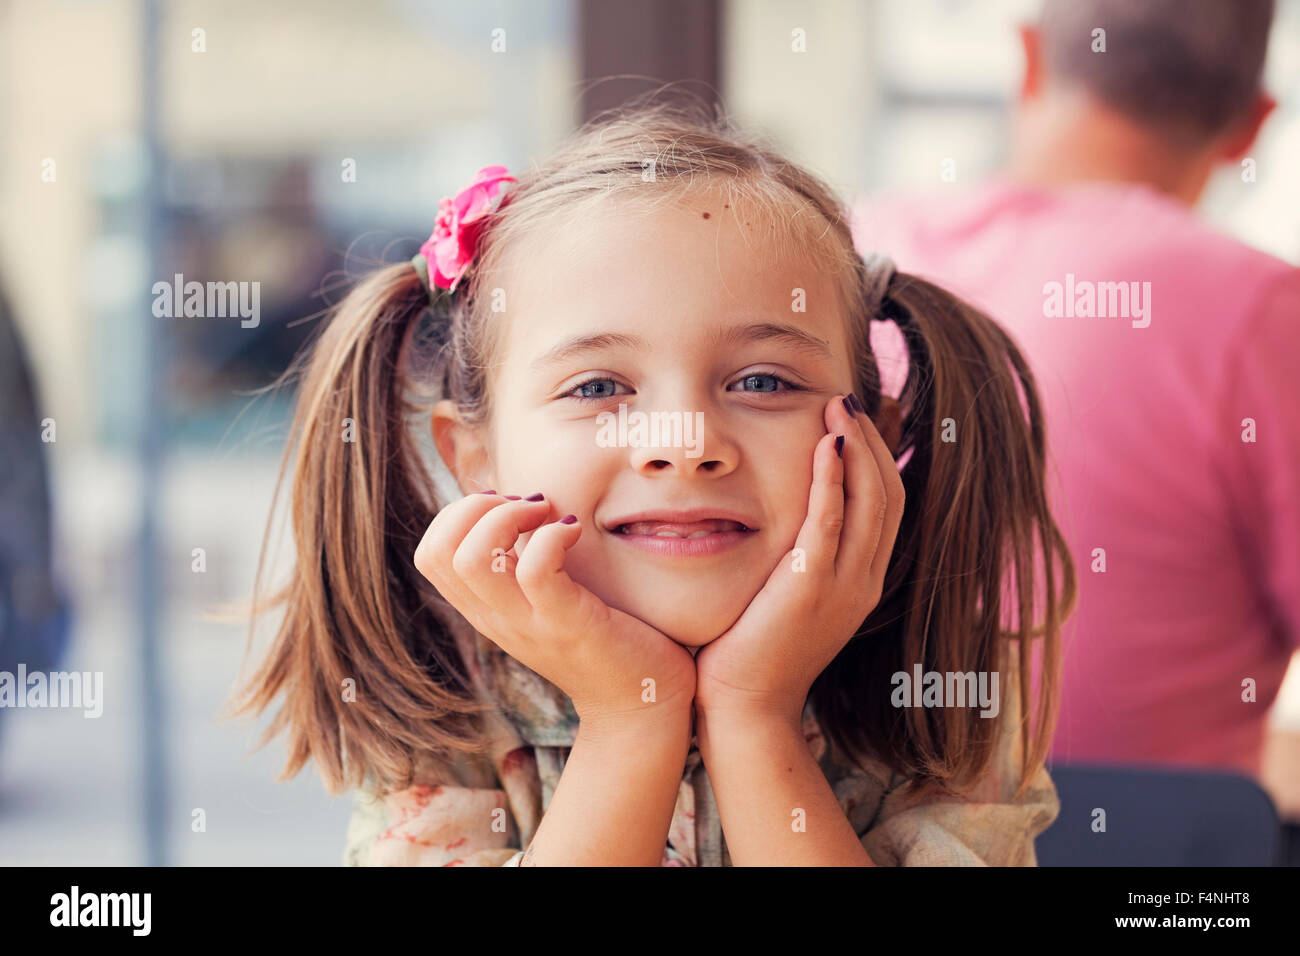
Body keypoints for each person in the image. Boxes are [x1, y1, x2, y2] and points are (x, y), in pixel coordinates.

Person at [229, 100, 1075, 866]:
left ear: (874, 435)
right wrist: (632, 722)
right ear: (472, 458)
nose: (685, 445)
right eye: (598, 388)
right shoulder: (439, 712)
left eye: (763, 382)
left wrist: (754, 715)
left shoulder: (947, 694)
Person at [853, 0, 1300, 779]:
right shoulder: (1262, 313)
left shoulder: (852, 253)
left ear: (1028, 60)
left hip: (838, 827)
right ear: (1255, 123)